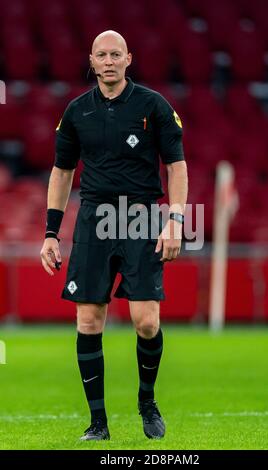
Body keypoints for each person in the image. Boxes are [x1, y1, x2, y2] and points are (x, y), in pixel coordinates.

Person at [40, 30, 188, 441]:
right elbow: (62, 172)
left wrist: (176, 220)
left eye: (115, 54)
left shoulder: (153, 105)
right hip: (94, 219)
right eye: (101, 54)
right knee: (88, 320)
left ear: (128, 59)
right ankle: (98, 423)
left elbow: (176, 165)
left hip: (140, 219)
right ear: (92, 60)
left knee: (145, 321)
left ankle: (146, 401)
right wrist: (51, 232)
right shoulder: (75, 112)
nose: (108, 60)